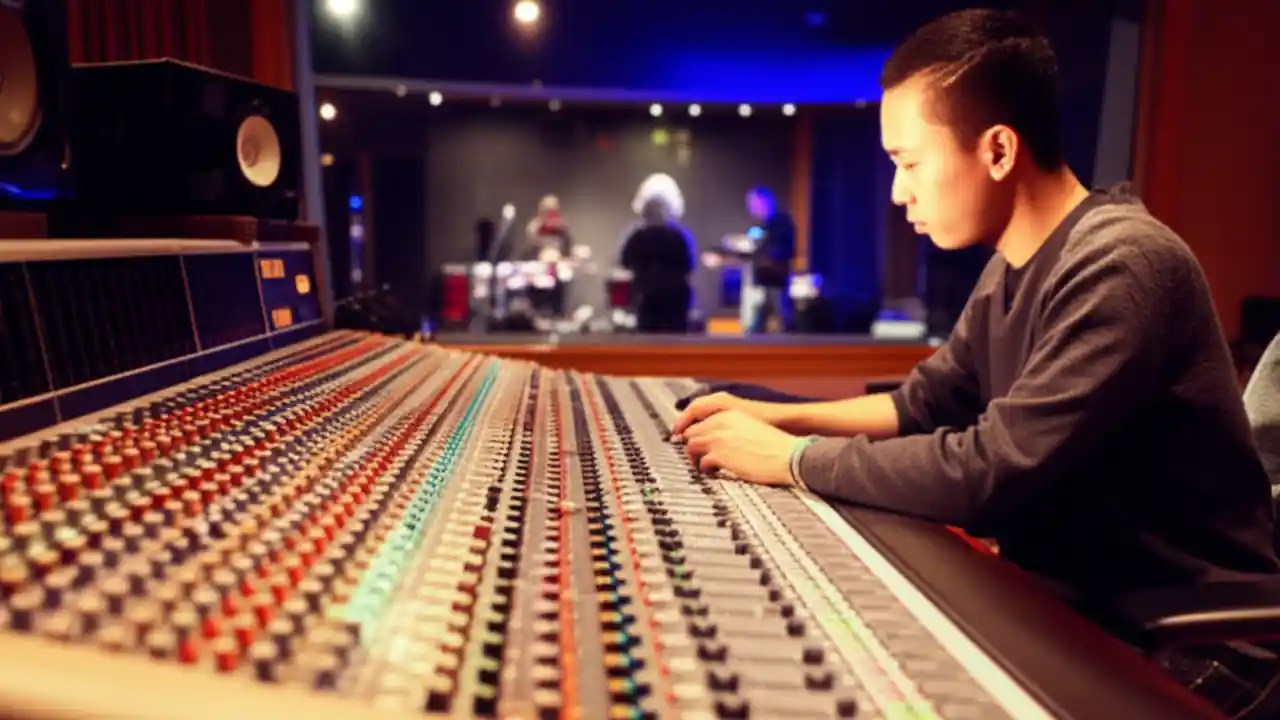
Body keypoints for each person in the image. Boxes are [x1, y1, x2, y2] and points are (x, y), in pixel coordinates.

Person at [673, 9, 1280, 712]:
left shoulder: (1125, 265)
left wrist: (789, 459)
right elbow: (924, 405)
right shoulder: (1014, 265)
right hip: (1080, 617)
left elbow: (989, 471)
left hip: (1190, 648)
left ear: (996, 150)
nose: (899, 191)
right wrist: (772, 416)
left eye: (909, 163)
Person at [710, 187, 796, 333]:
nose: (751, 210)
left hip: (776, 285)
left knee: (779, 325)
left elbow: (778, 251)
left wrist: (756, 247)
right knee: (753, 328)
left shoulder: (782, 224)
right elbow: (749, 253)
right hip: (757, 285)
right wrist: (726, 257)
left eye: (754, 205)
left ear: (764, 203)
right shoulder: (758, 229)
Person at [618, 173, 698, 331]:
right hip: (674, 299)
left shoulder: (636, 236)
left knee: (647, 343)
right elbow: (689, 265)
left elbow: (624, 261)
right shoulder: (679, 237)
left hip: (646, 297)